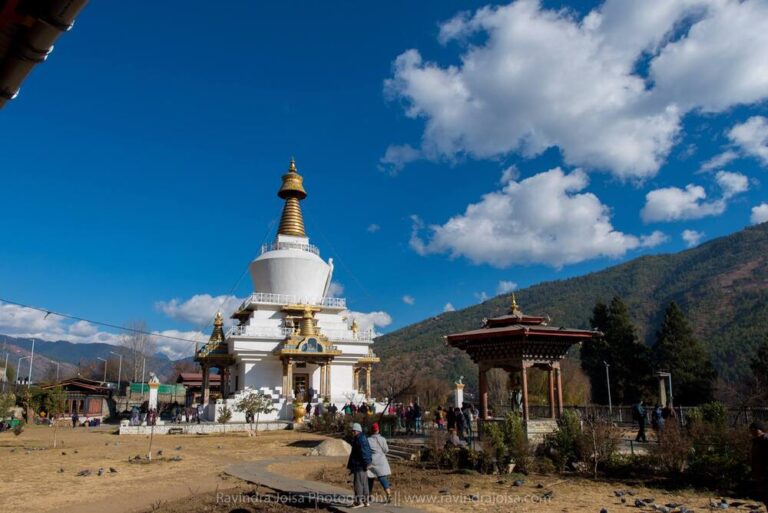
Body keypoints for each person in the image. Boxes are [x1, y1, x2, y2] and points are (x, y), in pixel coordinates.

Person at [347, 422, 372, 508]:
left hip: (360, 465)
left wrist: (367, 463)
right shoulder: (360, 438)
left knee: (358, 484)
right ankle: (366, 501)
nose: (352, 432)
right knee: (364, 483)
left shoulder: (360, 439)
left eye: (353, 431)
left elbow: (364, 452)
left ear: (357, 431)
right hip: (362, 465)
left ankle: (359, 502)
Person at [367, 422, 393, 503]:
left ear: (371, 430)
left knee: (370, 478)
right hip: (381, 460)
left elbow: (367, 451)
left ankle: (369, 495)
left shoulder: (368, 440)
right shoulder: (382, 439)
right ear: (378, 430)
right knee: (382, 478)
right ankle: (388, 494)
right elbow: (386, 450)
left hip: (372, 461)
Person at [750, 421, 768, 509]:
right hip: (760, 476)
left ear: (761, 430)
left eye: (754, 430)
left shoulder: (766, 439)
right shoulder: (756, 442)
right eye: (751, 430)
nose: (752, 432)